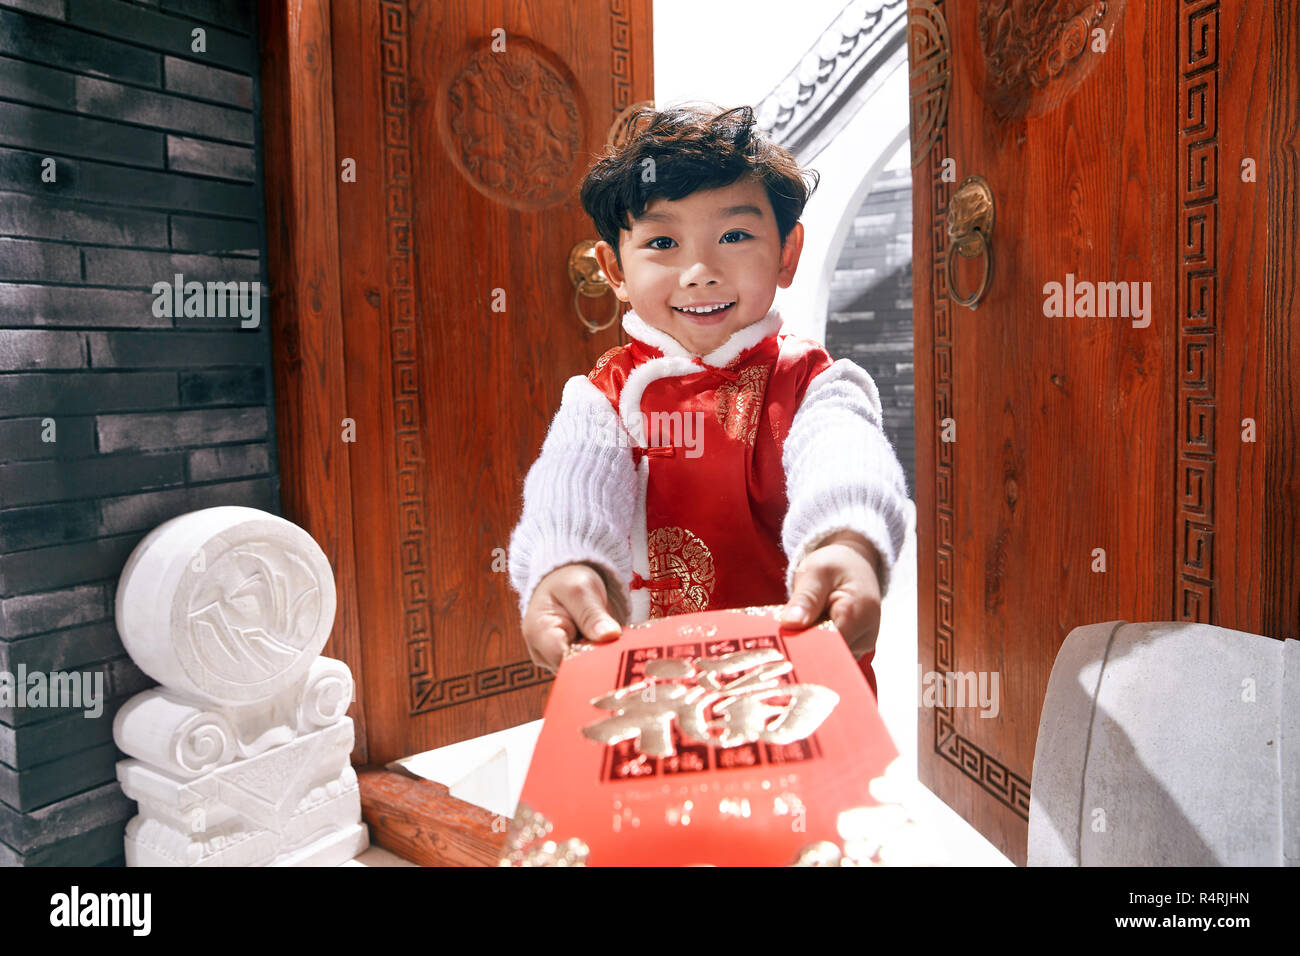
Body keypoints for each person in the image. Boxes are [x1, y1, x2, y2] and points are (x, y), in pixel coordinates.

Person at [507, 103, 910, 698]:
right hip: (651, 679)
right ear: (614, 269)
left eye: (735, 235)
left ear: (788, 253)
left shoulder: (813, 383)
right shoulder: (603, 398)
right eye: (663, 241)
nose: (700, 270)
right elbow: (573, 479)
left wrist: (846, 542)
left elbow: (843, 453)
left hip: (797, 673)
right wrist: (568, 564)